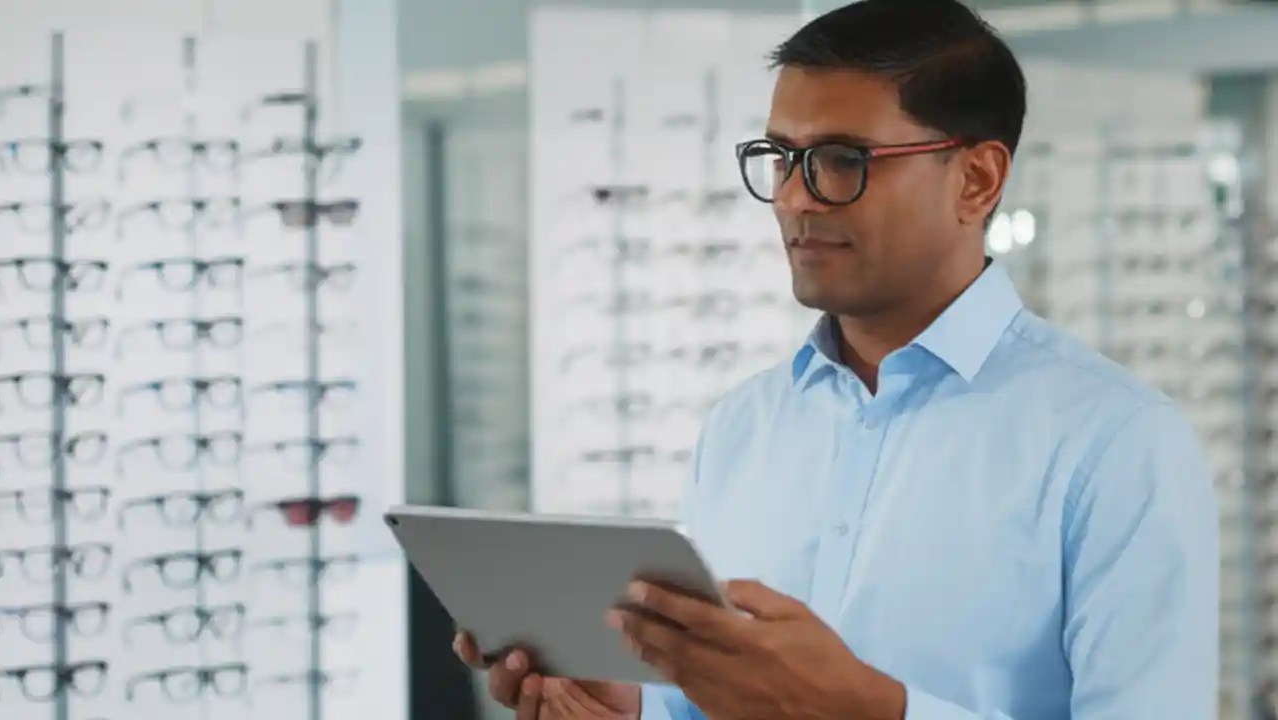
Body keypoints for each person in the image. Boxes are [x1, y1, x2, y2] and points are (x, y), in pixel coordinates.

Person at [456, 0, 1219, 717]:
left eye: (841, 160)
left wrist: (870, 712)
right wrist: (628, 706)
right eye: (780, 158)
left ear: (977, 179)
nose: (795, 198)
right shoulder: (742, 427)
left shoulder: (1115, 441)